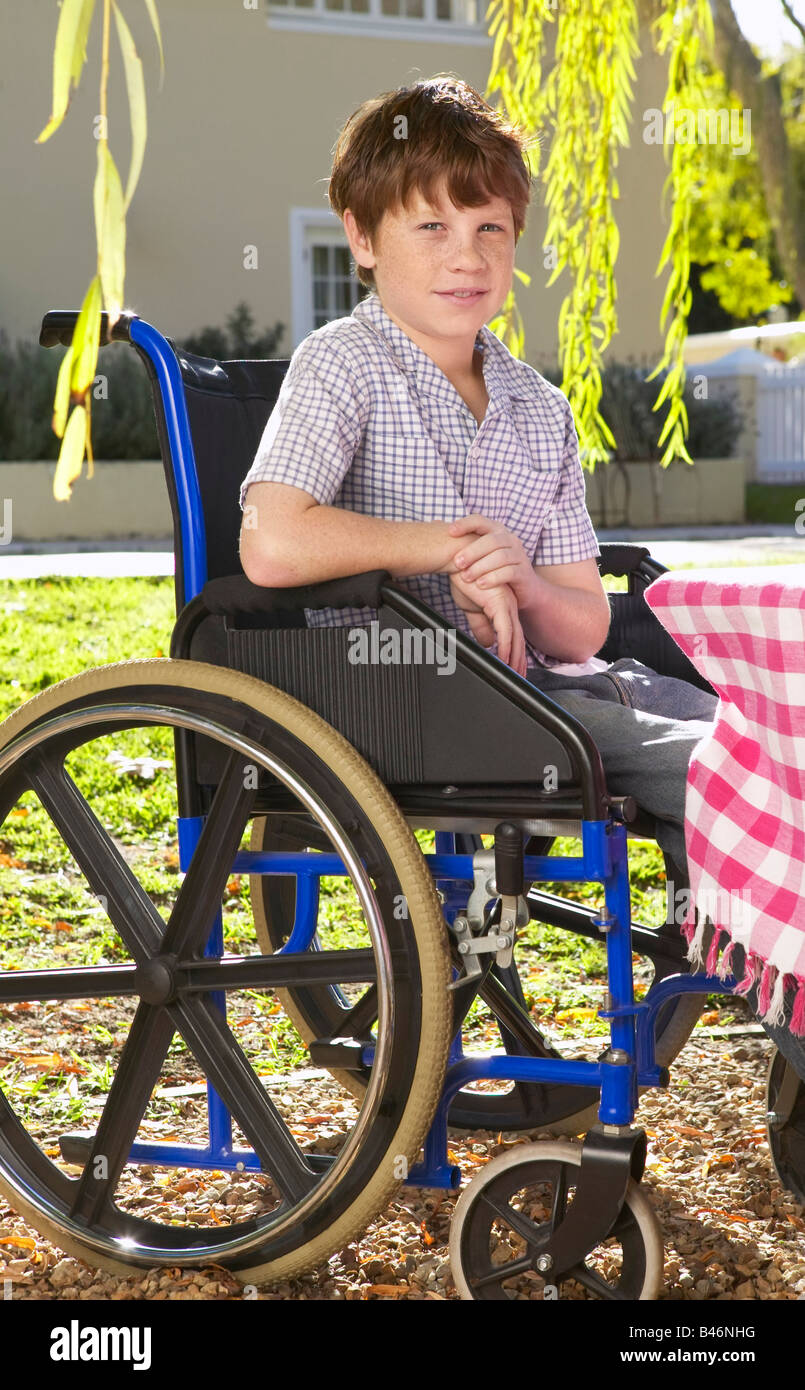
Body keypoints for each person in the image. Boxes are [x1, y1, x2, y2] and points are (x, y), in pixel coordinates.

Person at [237, 75, 804, 1084]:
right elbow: (273, 543)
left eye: (490, 227)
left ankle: (773, 1000)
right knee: (744, 766)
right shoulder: (342, 365)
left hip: (541, 691)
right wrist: (445, 545)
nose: (467, 255)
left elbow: (582, 622)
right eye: (430, 226)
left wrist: (526, 585)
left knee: (763, 736)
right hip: (403, 692)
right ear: (360, 236)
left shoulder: (538, 409)